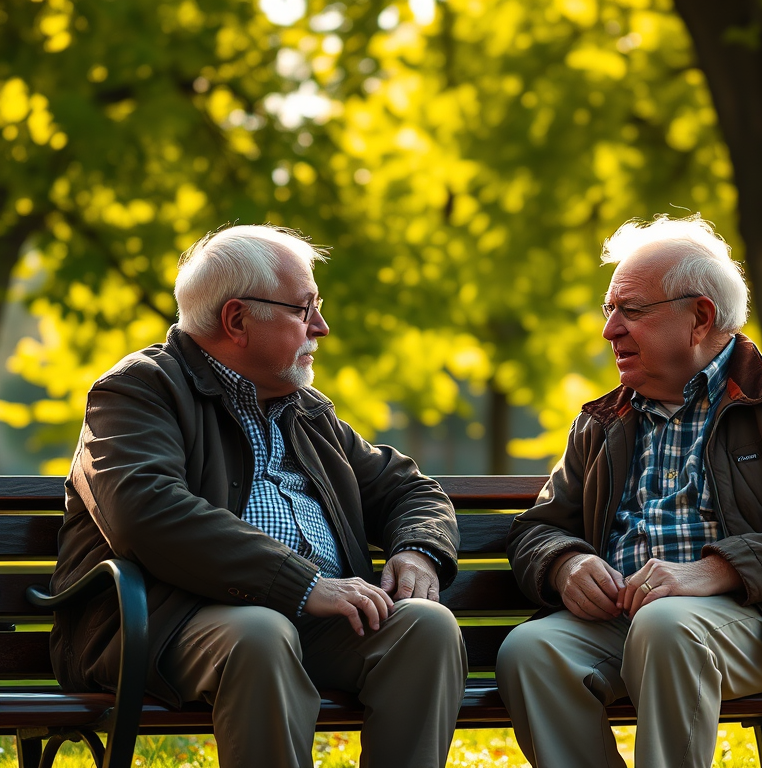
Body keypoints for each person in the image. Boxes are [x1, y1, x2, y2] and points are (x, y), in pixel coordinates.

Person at [49, 224, 467, 768]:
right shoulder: (138, 390)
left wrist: (417, 548)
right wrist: (302, 584)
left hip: (310, 621)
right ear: (237, 319)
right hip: (165, 619)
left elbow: (409, 489)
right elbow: (145, 511)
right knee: (261, 633)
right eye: (303, 309)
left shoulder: (307, 411)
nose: (322, 325)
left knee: (426, 629)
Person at [495, 214, 762, 768]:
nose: (610, 330)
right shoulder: (604, 421)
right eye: (609, 311)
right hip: (628, 620)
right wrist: (563, 564)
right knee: (531, 651)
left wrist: (717, 570)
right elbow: (539, 527)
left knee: (668, 626)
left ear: (699, 316)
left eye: (631, 310)